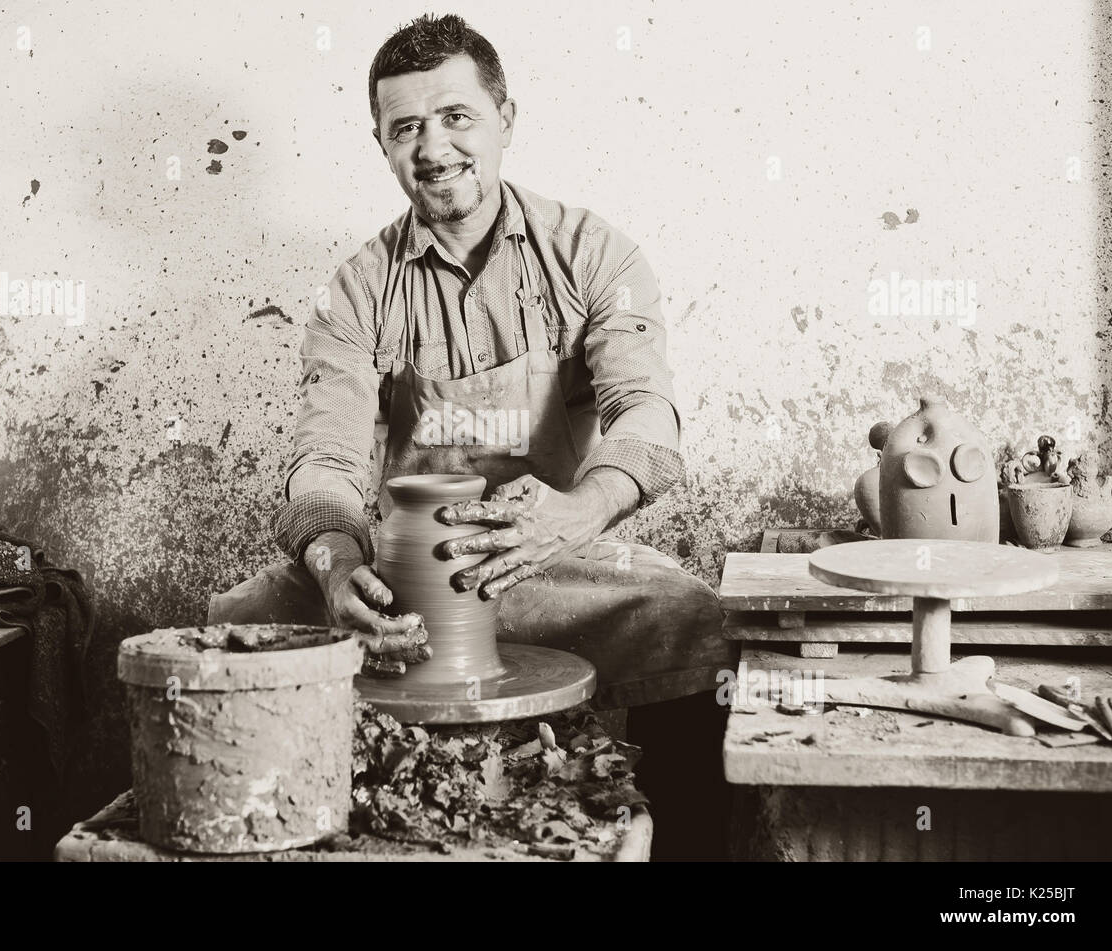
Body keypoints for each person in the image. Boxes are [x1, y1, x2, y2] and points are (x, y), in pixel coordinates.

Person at [208, 12, 736, 858]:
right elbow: (325, 454)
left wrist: (578, 511)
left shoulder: (593, 254)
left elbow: (647, 414)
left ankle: (682, 848)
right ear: (380, 141)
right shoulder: (356, 288)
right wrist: (339, 564)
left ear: (505, 120)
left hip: (548, 556)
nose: (434, 147)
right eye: (406, 126)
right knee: (246, 613)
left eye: (457, 117)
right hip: (403, 577)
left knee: (689, 616)